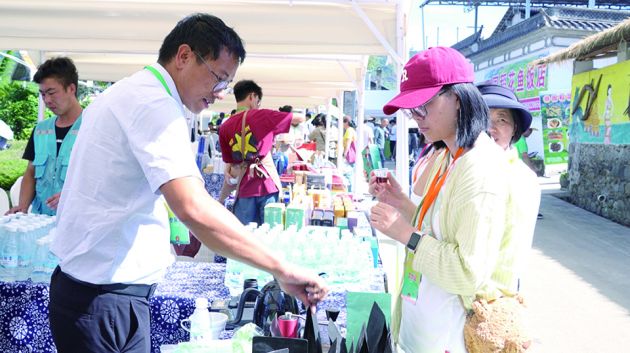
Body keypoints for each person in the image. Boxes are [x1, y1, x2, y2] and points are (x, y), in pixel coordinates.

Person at [49, 14, 327, 353]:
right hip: (101, 299)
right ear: (184, 56)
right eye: (219, 78)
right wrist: (279, 267)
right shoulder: (153, 103)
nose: (220, 93)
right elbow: (192, 207)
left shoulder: (133, 92)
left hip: (101, 294)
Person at [369, 46, 512, 353]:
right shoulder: (448, 154)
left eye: (423, 106)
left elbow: (466, 272)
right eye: (411, 110)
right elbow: (436, 230)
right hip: (421, 326)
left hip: (447, 337)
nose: (416, 118)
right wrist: (401, 203)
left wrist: (404, 234)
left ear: (458, 99)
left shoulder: (480, 167)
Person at [478, 83, 541, 287]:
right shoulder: (454, 165)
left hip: (492, 292)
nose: (490, 128)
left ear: (515, 129)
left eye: (502, 119)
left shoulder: (522, 178)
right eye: (483, 118)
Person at [5, 57, 83, 216]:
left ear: (71, 88)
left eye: (52, 93)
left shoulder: (92, 128)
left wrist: (75, 196)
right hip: (40, 221)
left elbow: (102, 179)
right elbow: (31, 173)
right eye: (42, 94)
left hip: (77, 221)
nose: (47, 100)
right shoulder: (41, 130)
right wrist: (22, 207)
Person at [218, 80, 293, 226]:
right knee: (271, 233)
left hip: (244, 187)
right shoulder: (262, 116)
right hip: (267, 184)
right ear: (252, 96)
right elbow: (296, 118)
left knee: (244, 237)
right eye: (258, 101)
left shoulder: (225, 126)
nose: (258, 105)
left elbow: (231, 163)